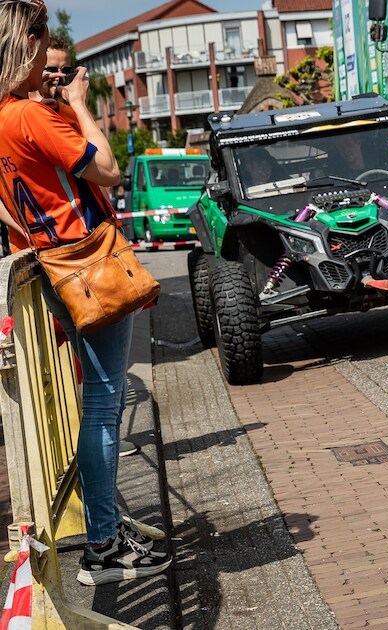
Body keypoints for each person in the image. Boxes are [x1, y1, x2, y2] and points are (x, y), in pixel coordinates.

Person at [0, 0, 171, 586]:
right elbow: (108, 170)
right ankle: (103, 543)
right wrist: (77, 102)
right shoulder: (29, 115)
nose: (47, 65)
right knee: (102, 405)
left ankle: (104, 530)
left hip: (51, 266)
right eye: (41, 48)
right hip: (89, 264)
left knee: (98, 402)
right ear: (25, 47)